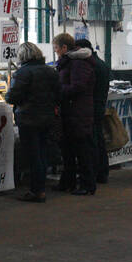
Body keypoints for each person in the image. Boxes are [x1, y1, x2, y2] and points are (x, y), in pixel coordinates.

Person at [5, 41, 60, 202]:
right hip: (47, 118)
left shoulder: (22, 73)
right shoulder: (51, 71)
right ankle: (40, 188)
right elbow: (59, 94)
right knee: (42, 153)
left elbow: (12, 97)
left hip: (28, 119)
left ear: (22, 56)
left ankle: (37, 191)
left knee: (33, 155)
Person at [53, 32, 96, 195]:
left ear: (64, 47)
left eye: (56, 48)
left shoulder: (78, 63)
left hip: (78, 112)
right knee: (68, 150)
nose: (56, 51)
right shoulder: (70, 62)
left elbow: (78, 87)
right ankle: (68, 181)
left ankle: (87, 184)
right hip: (71, 112)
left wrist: (58, 90)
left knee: (81, 150)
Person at [73, 39, 110, 183]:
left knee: (92, 141)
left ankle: (94, 172)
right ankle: (102, 172)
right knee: (98, 139)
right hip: (99, 105)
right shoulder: (101, 64)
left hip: (91, 107)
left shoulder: (90, 65)